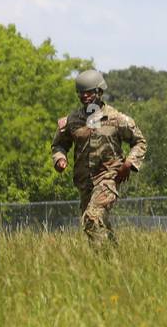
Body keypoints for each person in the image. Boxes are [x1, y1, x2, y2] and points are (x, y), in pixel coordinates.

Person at [51, 69, 147, 243]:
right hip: (85, 183)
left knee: (91, 219)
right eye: (81, 93)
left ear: (99, 92)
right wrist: (60, 158)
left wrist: (128, 164)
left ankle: (102, 259)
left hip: (108, 178)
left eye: (89, 92)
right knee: (98, 225)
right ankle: (113, 261)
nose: (85, 96)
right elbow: (59, 144)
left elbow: (139, 142)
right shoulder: (72, 120)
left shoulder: (117, 119)